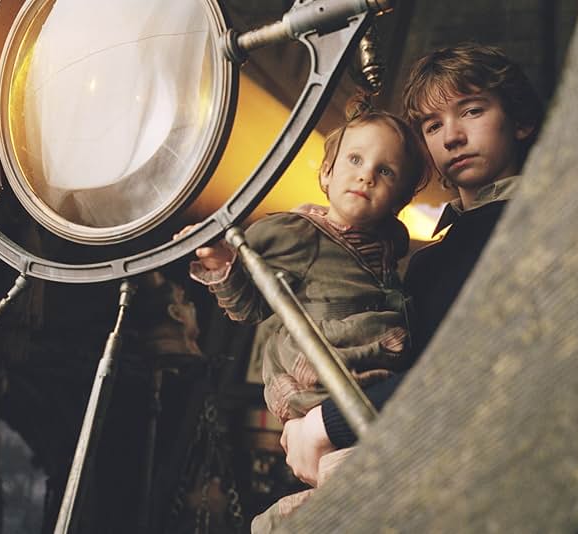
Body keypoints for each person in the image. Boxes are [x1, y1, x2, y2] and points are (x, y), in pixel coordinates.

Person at [281, 42, 544, 486]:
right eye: (432, 124)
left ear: (521, 121)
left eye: (472, 111)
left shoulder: (538, 223)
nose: (451, 136)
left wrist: (327, 422)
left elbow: (477, 370)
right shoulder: (428, 260)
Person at [179, 97, 428, 531]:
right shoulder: (298, 234)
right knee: (358, 482)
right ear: (328, 173)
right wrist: (223, 264)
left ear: (400, 198)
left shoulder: (390, 242)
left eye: (385, 171)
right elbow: (251, 304)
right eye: (354, 159)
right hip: (326, 381)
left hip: (374, 374)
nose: (366, 174)